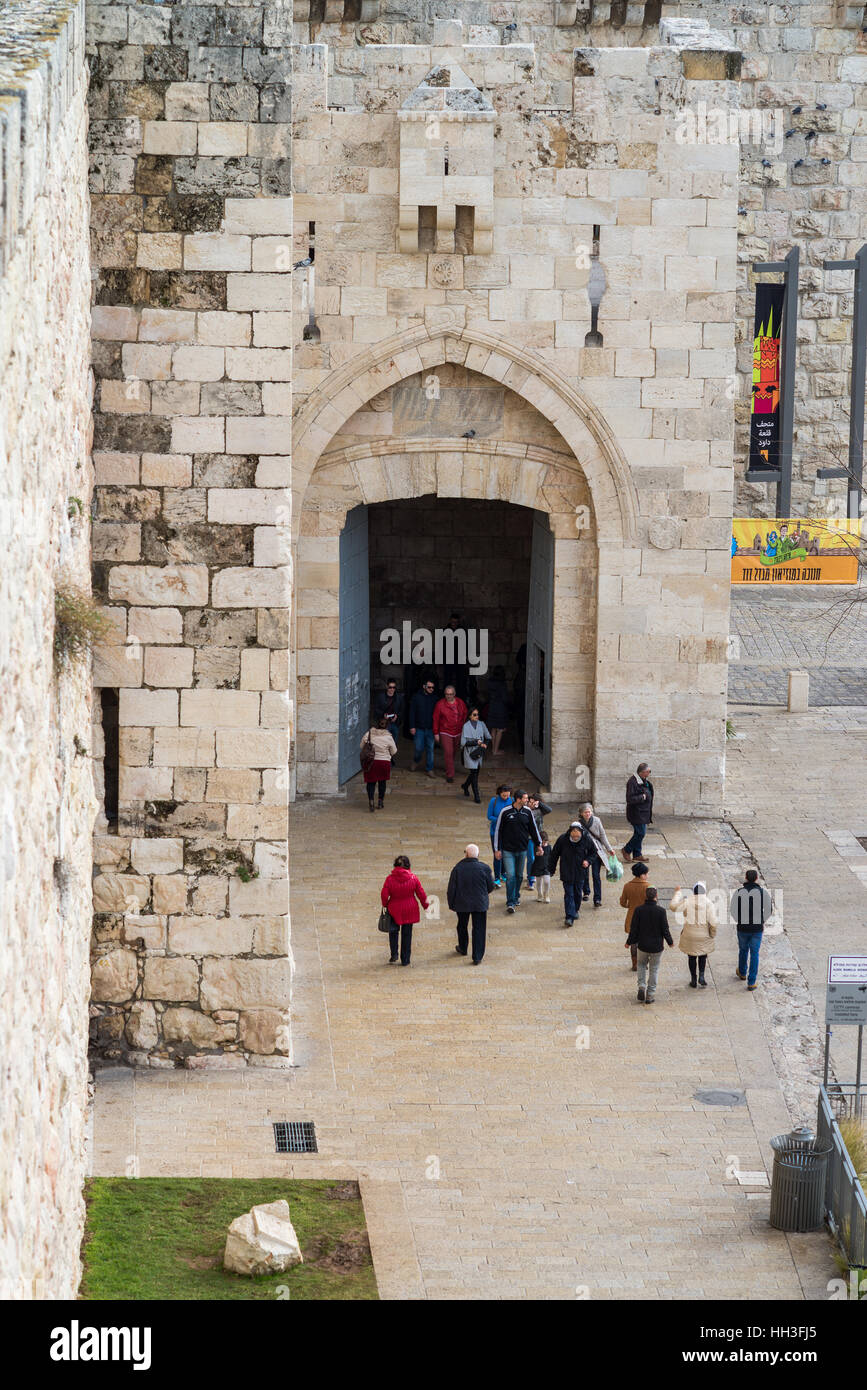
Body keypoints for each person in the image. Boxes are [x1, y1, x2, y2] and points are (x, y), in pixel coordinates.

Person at [493, 789, 543, 914]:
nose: (527, 800)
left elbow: (533, 829)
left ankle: (516, 897)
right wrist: (497, 849)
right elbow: (498, 831)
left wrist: (539, 845)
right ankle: (510, 902)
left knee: (519, 876)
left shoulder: (527, 812)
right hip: (507, 850)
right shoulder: (505, 812)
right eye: (525, 798)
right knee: (510, 876)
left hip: (522, 849)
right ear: (518, 799)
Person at [447, 843, 495, 965]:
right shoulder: (485, 868)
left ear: (466, 854)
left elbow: (451, 888)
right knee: (479, 929)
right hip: (480, 903)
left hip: (462, 903)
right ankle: (477, 956)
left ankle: (463, 947)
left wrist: (451, 903)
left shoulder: (458, 868)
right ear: (477, 855)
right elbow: (490, 886)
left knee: (462, 925)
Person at [626, 885, 673, 1004]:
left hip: (643, 945)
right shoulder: (661, 911)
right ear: (656, 896)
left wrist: (629, 942)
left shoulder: (639, 910)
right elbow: (665, 929)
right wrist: (670, 941)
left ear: (645, 896)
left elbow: (634, 929)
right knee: (654, 969)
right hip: (657, 946)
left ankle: (641, 985)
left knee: (641, 965)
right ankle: (650, 994)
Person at [380, 854, 429, 966]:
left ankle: (394, 954)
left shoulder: (390, 879)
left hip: (394, 908)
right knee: (407, 934)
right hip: (409, 908)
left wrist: (385, 904)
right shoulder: (413, 878)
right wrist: (426, 906)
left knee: (393, 931)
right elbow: (421, 894)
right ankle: (405, 959)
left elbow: (384, 894)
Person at [730, 867, 773, 990]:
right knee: (755, 954)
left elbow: (733, 910)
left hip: (742, 928)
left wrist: (739, 920)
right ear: (757, 879)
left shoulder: (739, 892)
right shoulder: (762, 893)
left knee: (743, 950)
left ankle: (742, 972)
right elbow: (769, 910)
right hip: (756, 929)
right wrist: (762, 921)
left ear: (746, 878)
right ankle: (751, 981)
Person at [670, 881, 718, 989]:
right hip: (704, 935)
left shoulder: (687, 901)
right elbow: (713, 923)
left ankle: (693, 979)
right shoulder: (709, 903)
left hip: (689, 934)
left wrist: (678, 893)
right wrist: (712, 934)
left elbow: (673, 907)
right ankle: (701, 976)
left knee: (691, 957)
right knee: (703, 955)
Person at [548, 819, 594, 928]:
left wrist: (588, 861)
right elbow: (554, 855)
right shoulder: (563, 839)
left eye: (577, 836)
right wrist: (551, 869)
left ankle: (575, 910)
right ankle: (569, 916)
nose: (575, 837)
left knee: (578, 894)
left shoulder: (586, 839)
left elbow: (593, 853)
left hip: (580, 872)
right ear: (570, 832)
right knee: (569, 894)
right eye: (574, 835)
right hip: (567, 871)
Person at [577, 801, 615, 907]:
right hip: (585, 852)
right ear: (581, 814)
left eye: (589, 812)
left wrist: (609, 848)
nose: (587, 814)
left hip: (596, 851)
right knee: (584, 873)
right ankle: (586, 892)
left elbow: (602, 835)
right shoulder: (578, 824)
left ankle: (597, 898)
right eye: (585, 812)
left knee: (596, 875)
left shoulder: (597, 821)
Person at [433, 685, 468, 784]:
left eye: (451, 694)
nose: (449, 696)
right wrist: (436, 733)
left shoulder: (460, 702)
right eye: (447, 694)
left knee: (453, 752)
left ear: (454, 694)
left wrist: (464, 726)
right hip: (445, 731)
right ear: (445, 694)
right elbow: (435, 719)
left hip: (458, 731)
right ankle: (450, 775)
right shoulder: (440, 704)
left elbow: (465, 713)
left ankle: (449, 766)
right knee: (448, 751)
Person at [361, 716, 397, 812]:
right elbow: (394, 751)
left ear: (377, 725)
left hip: (371, 762)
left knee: (371, 782)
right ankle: (380, 802)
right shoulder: (389, 737)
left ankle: (371, 801)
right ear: (387, 726)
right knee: (382, 782)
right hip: (384, 762)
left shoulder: (369, 734)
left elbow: (361, 746)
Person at [620, 862, 651, 970]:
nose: (647, 876)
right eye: (646, 874)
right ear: (642, 875)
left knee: (633, 942)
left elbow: (623, 903)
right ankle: (643, 963)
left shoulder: (627, 886)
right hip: (646, 918)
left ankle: (635, 964)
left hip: (632, 917)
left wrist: (631, 905)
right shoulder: (648, 887)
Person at [460, 706, 491, 804]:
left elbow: (488, 737)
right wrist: (476, 742)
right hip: (470, 753)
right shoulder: (466, 726)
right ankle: (477, 796)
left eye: (478, 714)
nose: (477, 716)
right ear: (470, 716)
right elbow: (463, 742)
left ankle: (465, 786)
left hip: (479, 753)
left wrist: (485, 744)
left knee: (475, 772)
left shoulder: (482, 724)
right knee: (474, 774)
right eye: (474, 715)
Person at [622, 762, 654, 861]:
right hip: (636, 813)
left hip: (643, 813)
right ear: (642, 772)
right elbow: (630, 799)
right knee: (640, 833)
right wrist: (643, 797)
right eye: (648, 772)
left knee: (639, 833)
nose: (649, 774)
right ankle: (627, 850)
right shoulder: (632, 782)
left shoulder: (643, 781)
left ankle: (637, 854)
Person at [409, 677, 437, 778]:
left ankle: (429, 769)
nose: (431, 689)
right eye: (429, 687)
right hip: (419, 728)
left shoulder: (434, 698)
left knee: (430, 749)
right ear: (424, 686)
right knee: (418, 748)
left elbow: (437, 715)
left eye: (433, 688)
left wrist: (436, 729)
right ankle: (416, 761)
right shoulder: (416, 697)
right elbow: (412, 712)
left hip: (430, 729)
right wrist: (412, 726)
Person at [486, 784, 512, 887]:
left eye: (507, 795)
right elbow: (489, 816)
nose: (506, 797)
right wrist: (501, 819)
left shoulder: (512, 800)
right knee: (497, 854)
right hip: (495, 832)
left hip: (508, 832)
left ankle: (503, 873)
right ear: (500, 793)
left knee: (507, 853)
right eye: (504, 795)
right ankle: (497, 877)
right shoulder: (494, 801)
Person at [525, 792, 551, 891]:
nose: (530, 804)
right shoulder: (526, 810)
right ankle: (530, 880)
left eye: (533, 803)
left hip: (538, 837)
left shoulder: (540, 811)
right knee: (531, 858)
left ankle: (534, 875)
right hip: (529, 838)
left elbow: (549, 810)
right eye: (529, 802)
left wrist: (539, 804)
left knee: (538, 857)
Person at [443, 612, 470, 702]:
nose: (454, 624)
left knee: (460, 681)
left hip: (459, 659)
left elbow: (466, 645)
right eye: (452, 622)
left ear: (458, 622)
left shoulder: (462, 632)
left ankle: (460, 700)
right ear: (450, 621)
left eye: (456, 622)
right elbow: (442, 645)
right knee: (447, 680)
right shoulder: (445, 631)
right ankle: (446, 699)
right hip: (448, 659)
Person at [486, 665, 510, 756]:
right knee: (500, 729)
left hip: (492, 706)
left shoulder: (489, 682)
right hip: (500, 708)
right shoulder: (502, 684)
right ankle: (495, 750)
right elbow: (505, 698)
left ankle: (493, 749)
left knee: (493, 728)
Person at [534, 830, 552, 903]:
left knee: (547, 882)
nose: (544, 843)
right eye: (542, 842)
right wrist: (538, 853)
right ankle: (539, 894)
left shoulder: (549, 847)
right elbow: (534, 854)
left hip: (546, 867)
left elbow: (552, 856)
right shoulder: (537, 847)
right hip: (538, 866)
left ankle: (546, 894)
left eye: (545, 842)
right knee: (538, 882)